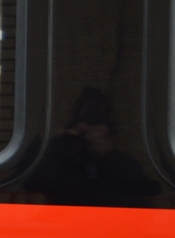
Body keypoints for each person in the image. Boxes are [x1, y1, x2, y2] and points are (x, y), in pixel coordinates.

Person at [25, 87, 160, 206]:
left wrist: (110, 156)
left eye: (97, 122)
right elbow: (33, 183)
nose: (91, 129)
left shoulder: (121, 160)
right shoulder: (62, 152)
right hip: (67, 221)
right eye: (85, 121)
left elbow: (146, 188)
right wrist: (62, 144)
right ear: (76, 125)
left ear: (108, 129)